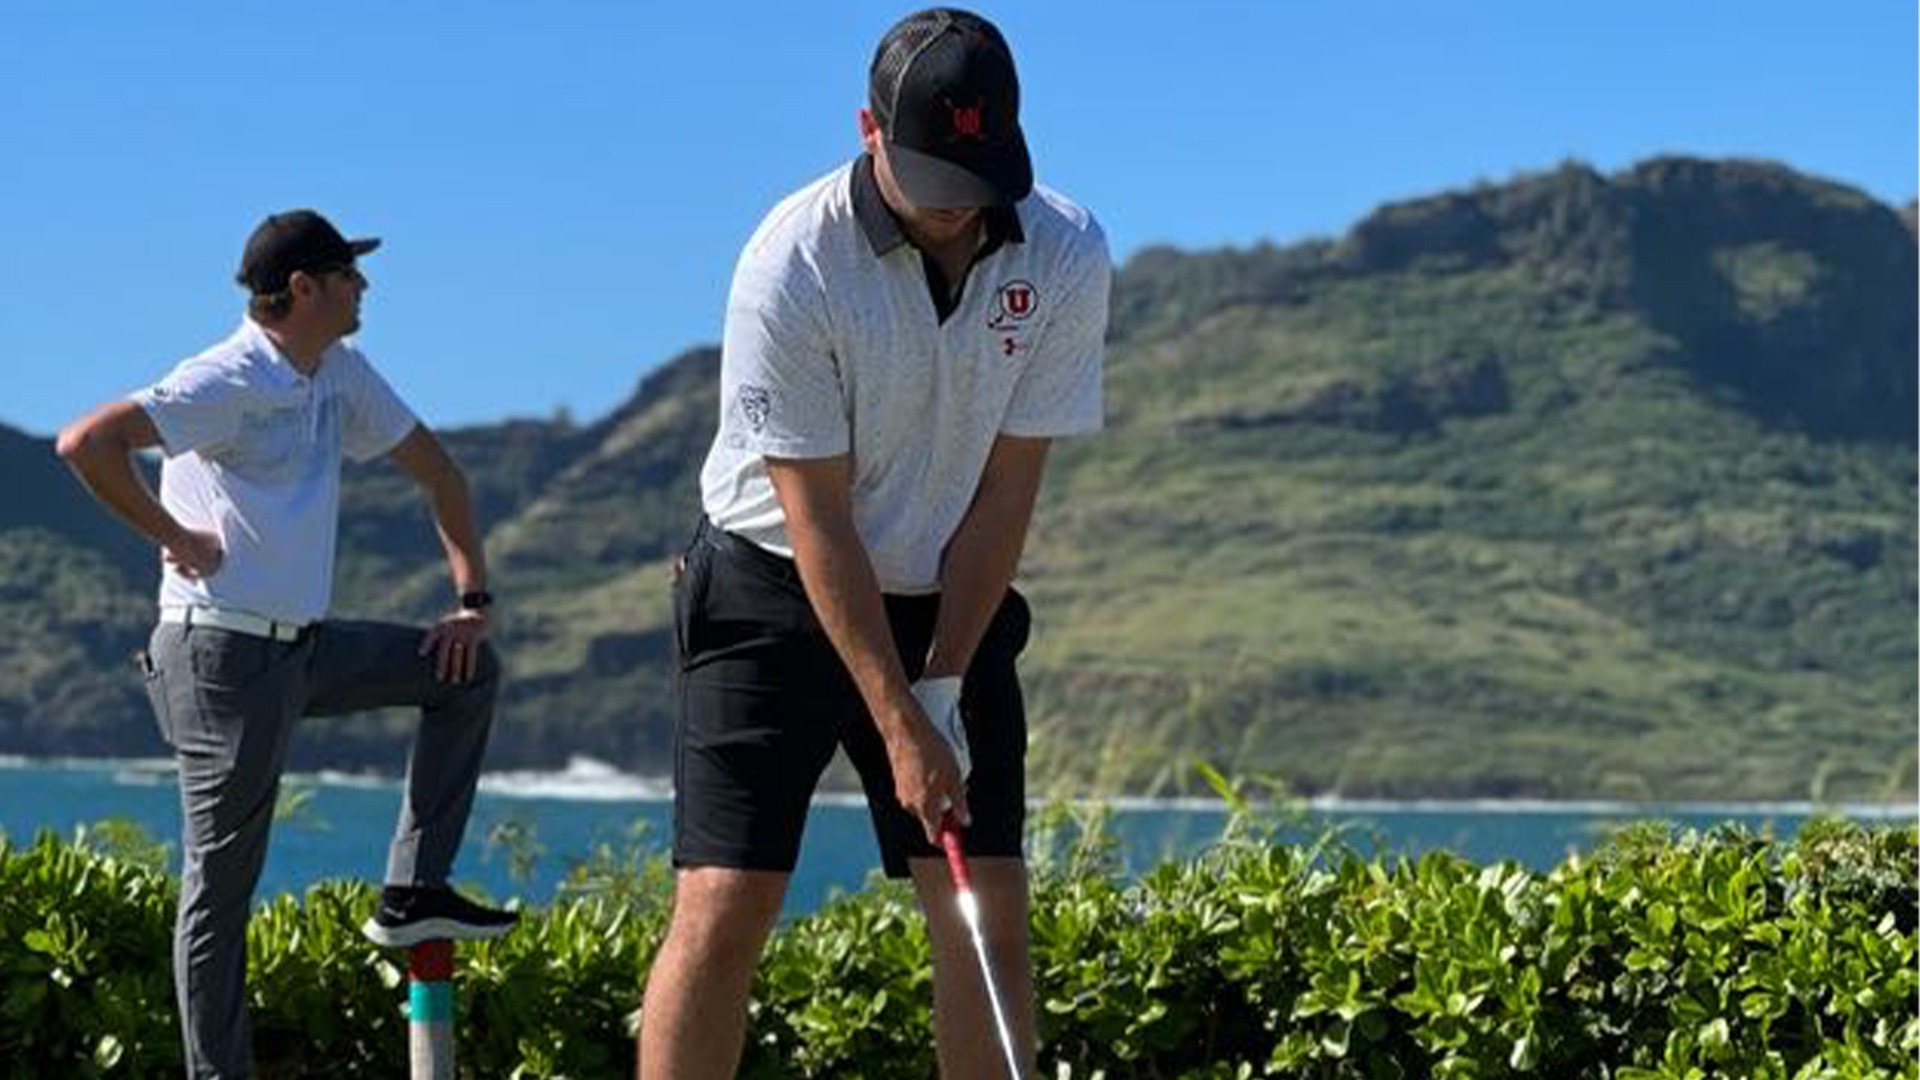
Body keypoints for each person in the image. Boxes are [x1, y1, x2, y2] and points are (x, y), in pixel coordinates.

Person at [636, 9, 1110, 1077]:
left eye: (978, 176)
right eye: (935, 174)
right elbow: (820, 522)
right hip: (775, 588)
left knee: (981, 900)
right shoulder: (791, 264)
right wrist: (902, 724)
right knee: (726, 901)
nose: (956, 210)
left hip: (952, 594)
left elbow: (1004, 495)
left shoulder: (1067, 250)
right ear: (869, 131)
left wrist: (940, 685)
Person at [55, 209, 519, 1080]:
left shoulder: (337, 370)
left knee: (465, 671)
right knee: (220, 894)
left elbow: (441, 474)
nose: (364, 288)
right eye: (348, 275)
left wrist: (471, 600)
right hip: (218, 660)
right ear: (302, 289)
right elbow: (87, 443)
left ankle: (414, 892)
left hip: (301, 649)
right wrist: (176, 536)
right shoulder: (224, 378)